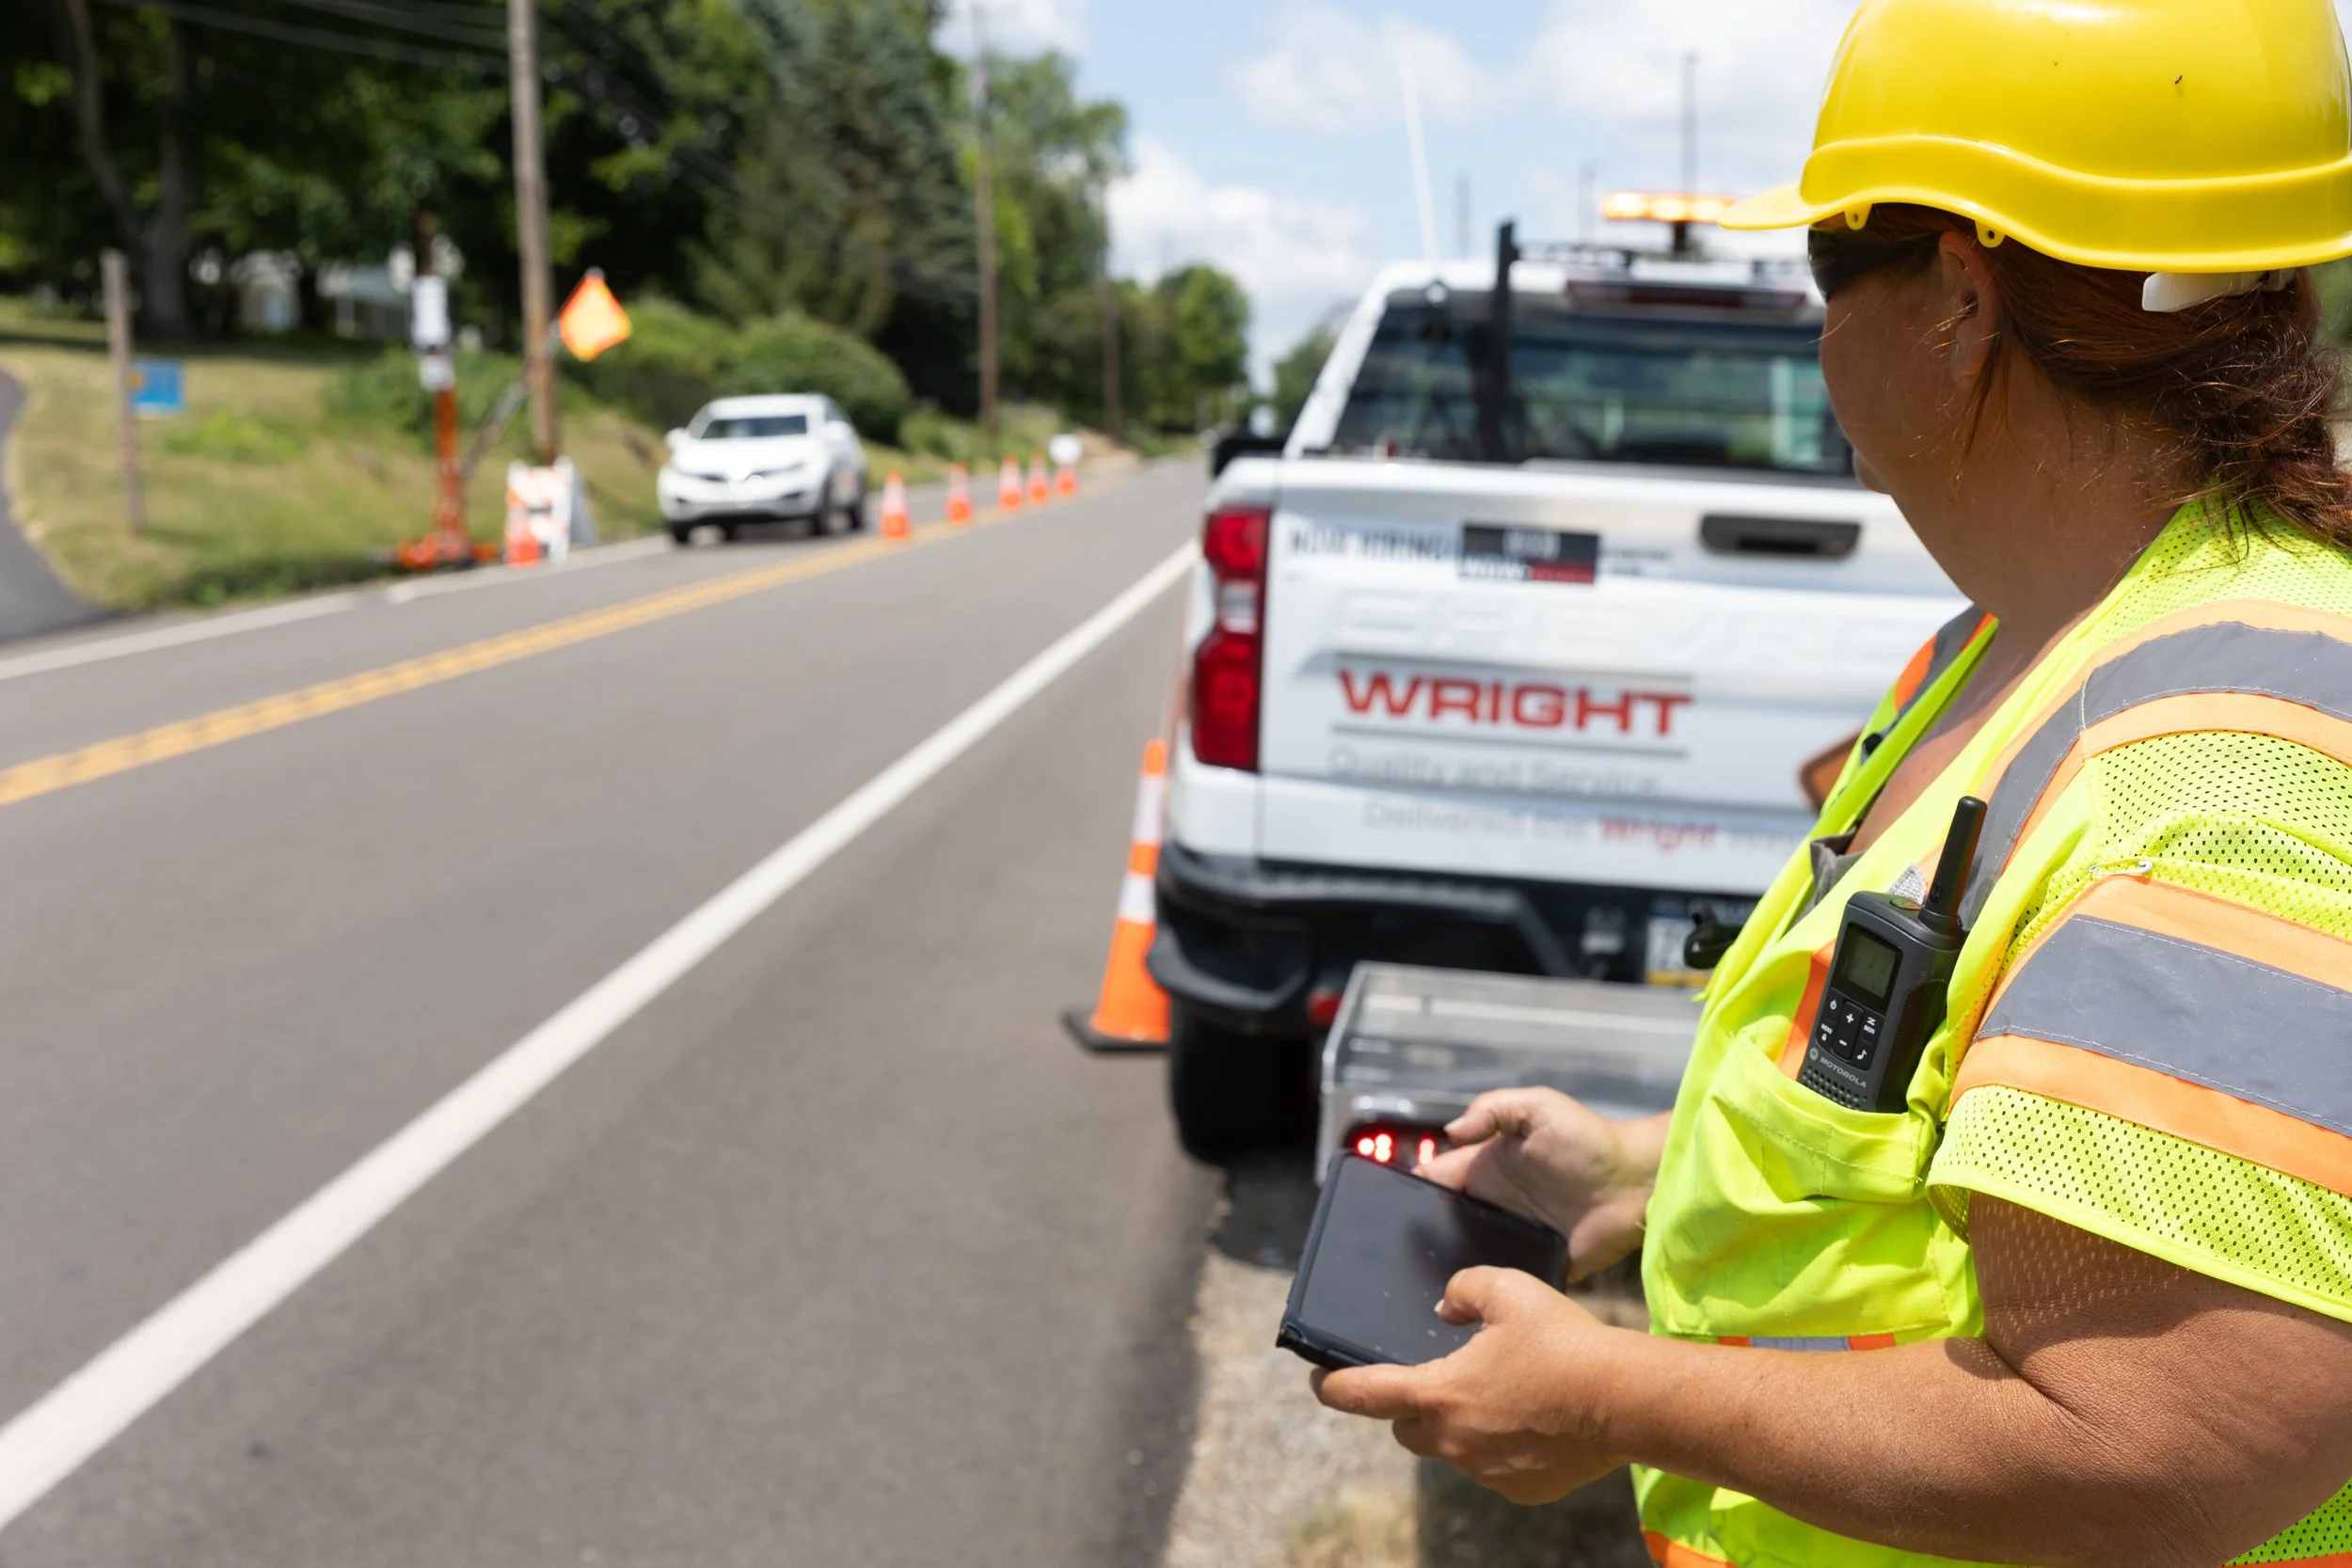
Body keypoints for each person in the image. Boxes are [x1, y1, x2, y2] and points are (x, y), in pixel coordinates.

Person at [1311, 2, 2352, 1564]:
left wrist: (1619, 1399)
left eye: (1821, 265)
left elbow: (2175, 1441)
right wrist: (1637, 1171)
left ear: (1955, 302)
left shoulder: (2226, 770)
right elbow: (1957, 1101)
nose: (1812, 332)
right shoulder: (2016, 642)